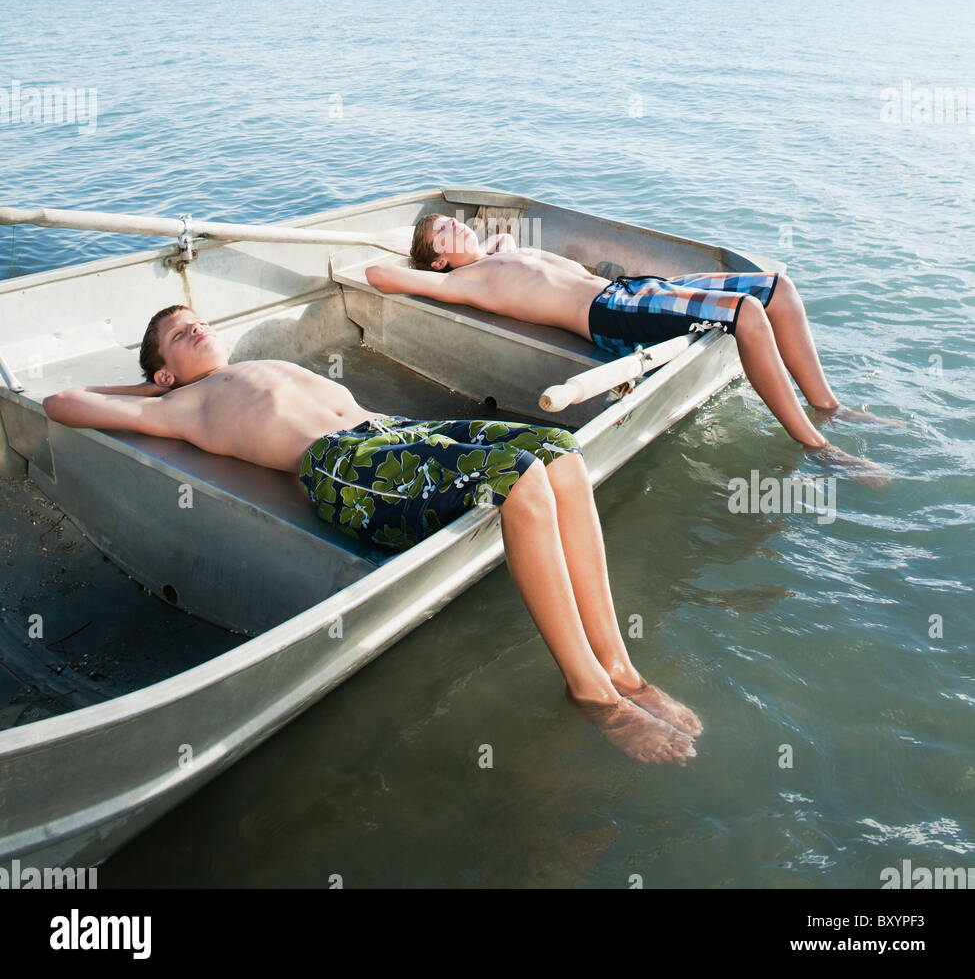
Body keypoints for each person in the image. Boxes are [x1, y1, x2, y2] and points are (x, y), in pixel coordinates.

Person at [42, 304, 701, 766]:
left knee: (559, 450)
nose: (199, 327)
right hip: (343, 468)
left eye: (199, 318)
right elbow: (61, 403)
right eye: (182, 334)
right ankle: (588, 689)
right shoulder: (179, 403)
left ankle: (619, 665)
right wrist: (148, 387)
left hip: (392, 432)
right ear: (163, 372)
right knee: (519, 479)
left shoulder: (249, 366)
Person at [365, 213, 899, 486]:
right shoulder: (464, 281)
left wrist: (491, 245)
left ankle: (830, 407)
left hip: (632, 291)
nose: (454, 226)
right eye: (441, 235)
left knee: (776, 288)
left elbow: (504, 250)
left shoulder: (502, 251)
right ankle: (818, 448)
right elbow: (380, 274)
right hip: (607, 315)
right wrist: (414, 259)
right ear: (437, 263)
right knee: (746, 313)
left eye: (451, 220)